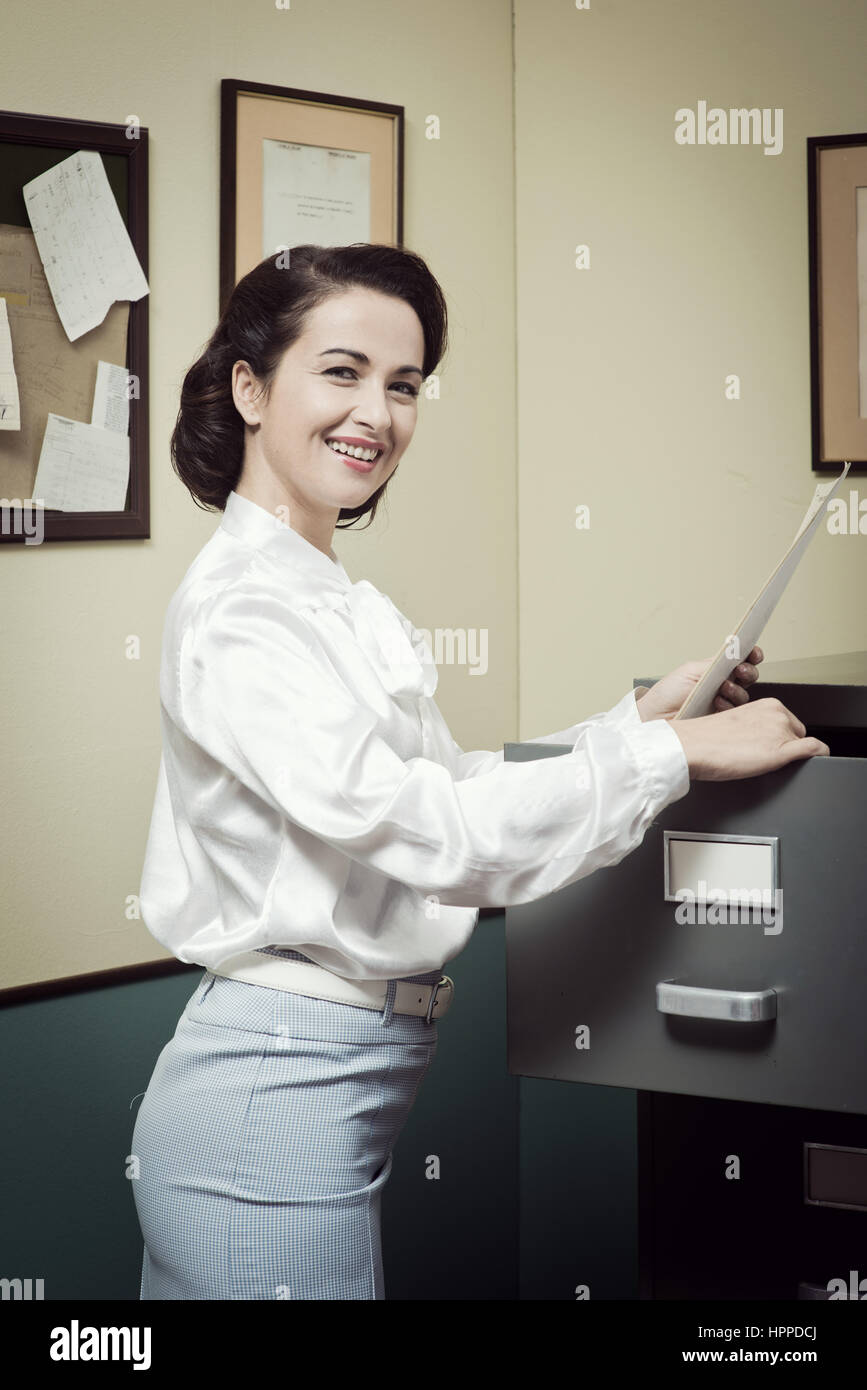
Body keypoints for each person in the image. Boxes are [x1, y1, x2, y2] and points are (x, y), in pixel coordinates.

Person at [130, 242, 829, 1301]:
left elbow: (442, 782)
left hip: (316, 1091)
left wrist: (632, 720)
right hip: (269, 1102)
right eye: (343, 370)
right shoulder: (243, 612)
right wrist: (669, 754)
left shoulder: (322, 591)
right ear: (249, 387)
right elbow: (432, 832)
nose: (377, 411)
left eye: (403, 385)